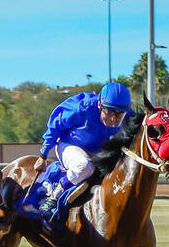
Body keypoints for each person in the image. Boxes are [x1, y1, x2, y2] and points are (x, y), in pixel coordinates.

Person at [20, 80, 133, 232]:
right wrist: (43, 155)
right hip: (69, 145)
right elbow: (55, 125)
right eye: (110, 112)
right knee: (85, 167)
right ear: (100, 105)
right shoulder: (82, 107)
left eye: (119, 114)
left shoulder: (128, 116)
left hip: (97, 151)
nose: (114, 119)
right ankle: (54, 196)